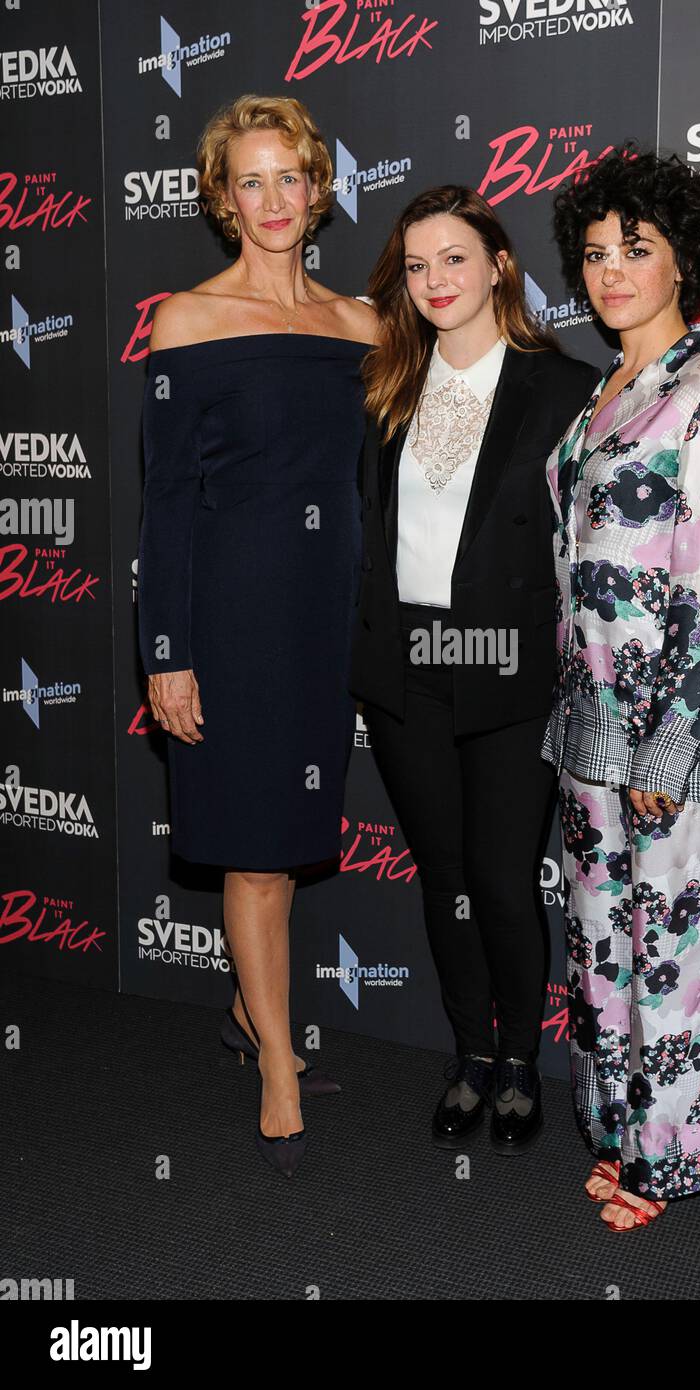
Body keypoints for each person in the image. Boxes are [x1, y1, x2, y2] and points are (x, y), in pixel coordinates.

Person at [137, 94, 379, 1178]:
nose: (274, 198)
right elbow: (166, 505)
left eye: (293, 177)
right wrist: (165, 648)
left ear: (319, 189)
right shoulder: (187, 320)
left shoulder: (363, 324)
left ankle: (250, 1011)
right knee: (254, 849)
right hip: (227, 621)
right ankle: (279, 1056)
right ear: (220, 195)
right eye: (252, 179)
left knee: (289, 842)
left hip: (322, 620)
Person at [348, 186, 600, 1153]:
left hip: (509, 668)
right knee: (442, 875)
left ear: (498, 263)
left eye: (453, 258)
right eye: (415, 267)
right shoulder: (385, 384)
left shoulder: (563, 388)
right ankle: (469, 1056)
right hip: (406, 665)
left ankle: (522, 1066)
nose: (433, 282)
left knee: (501, 879)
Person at [542, 142, 700, 1228]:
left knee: (670, 952)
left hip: (674, 726)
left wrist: (664, 752)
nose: (611, 269)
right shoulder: (604, 391)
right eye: (593, 252)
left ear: (684, 259)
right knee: (598, 942)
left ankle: (665, 1164)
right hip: (588, 723)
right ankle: (620, 1133)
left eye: (636, 246)